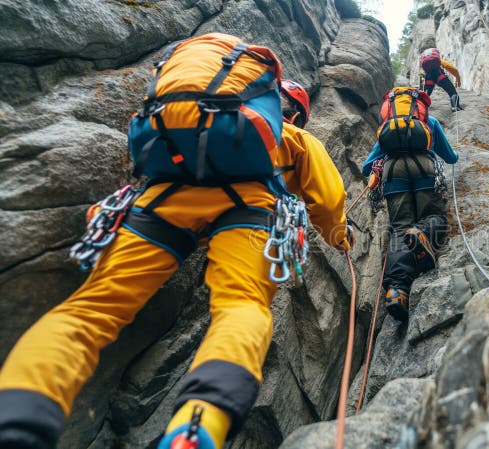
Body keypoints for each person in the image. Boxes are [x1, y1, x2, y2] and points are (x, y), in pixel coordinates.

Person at [0, 35, 353, 449]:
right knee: (241, 305)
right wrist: (338, 237)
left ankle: (18, 417)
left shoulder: (194, 108)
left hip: (162, 197)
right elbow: (328, 199)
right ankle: (199, 426)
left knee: (91, 310)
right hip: (248, 207)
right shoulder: (296, 140)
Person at [362, 87, 458, 322]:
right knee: (435, 216)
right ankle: (422, 232)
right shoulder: (430, 122)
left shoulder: (387, 128)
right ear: (420, 108)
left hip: (393, 172)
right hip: (424, 167)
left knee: (399, 229)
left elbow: (366, 167)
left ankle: (397, 291)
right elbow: (451, 157)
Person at [418, 47, 464, 112]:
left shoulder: (425, 65)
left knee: (424, 96)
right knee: (452, 92)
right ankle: (455, 107)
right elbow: (453, 69)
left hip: (428, 79)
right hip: (440, 76)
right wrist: (458, 79)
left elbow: (421, 74)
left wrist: (422, 85)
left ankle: (419, 109)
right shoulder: (439, 61)